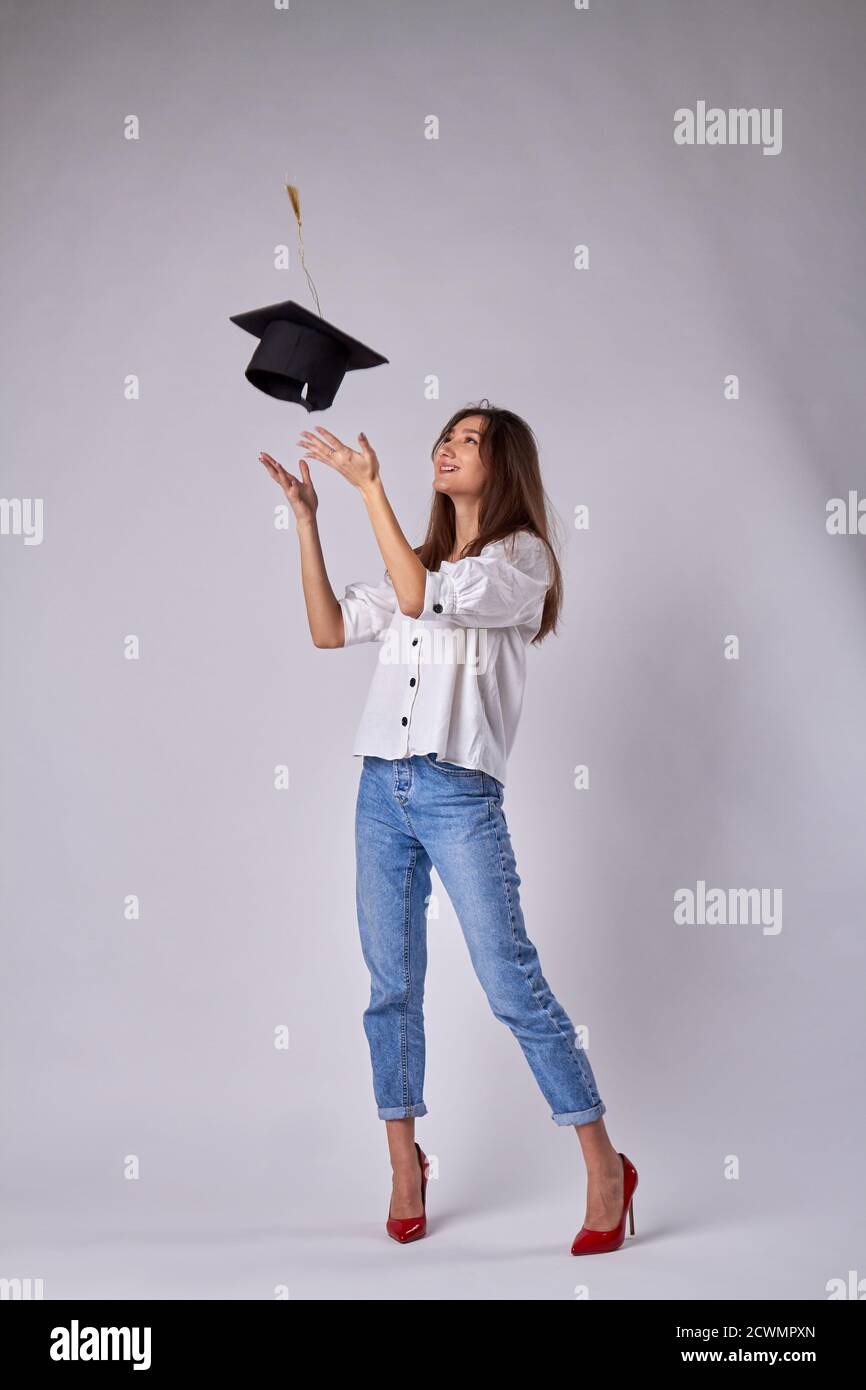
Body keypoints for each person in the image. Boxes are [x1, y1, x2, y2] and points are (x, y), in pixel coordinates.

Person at [258, 401, 638, 1254]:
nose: (449, 447)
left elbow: (419, 596)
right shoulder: (419, 559)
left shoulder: (519, 562)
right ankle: (404, 1166)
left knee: (511, 985)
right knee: (390, 986)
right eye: (448, 435)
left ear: (503, 466)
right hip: (379, 791)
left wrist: (370, 491)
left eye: (470, 441)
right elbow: (326, 630)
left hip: (459, 796)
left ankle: (605, 1164)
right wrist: (310, 523)